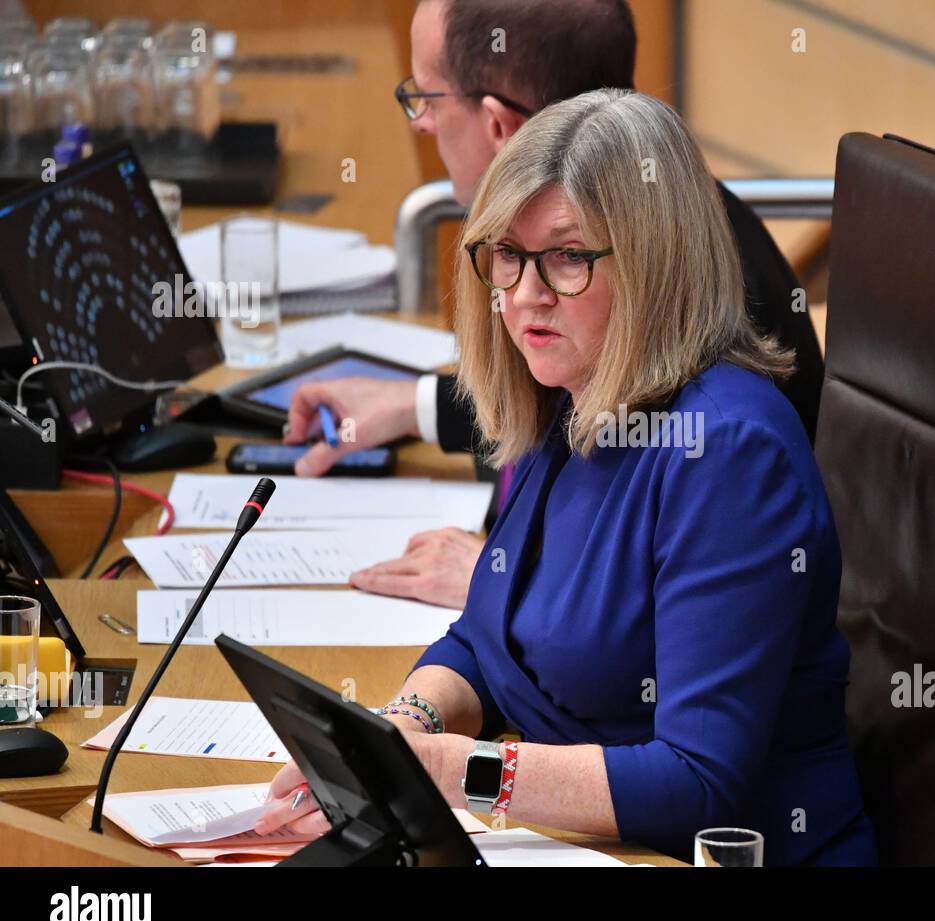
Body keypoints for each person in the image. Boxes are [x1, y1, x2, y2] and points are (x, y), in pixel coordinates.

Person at [256, 89, 875, 866]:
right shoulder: (563, 391)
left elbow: (697, 783)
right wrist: (404, 727)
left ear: (657, 262)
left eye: (569, 258)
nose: (523, 296)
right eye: (507, 256)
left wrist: (447, 770)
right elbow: (488, 643)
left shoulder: (728, 455)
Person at [282, 0, 825, 611]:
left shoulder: (692, 310)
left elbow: (673, 571)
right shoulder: (653, 223)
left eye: (428, 98)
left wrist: (506, 582)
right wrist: (419, 406)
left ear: (496, 124)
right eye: (507, 257)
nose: (421, 125)